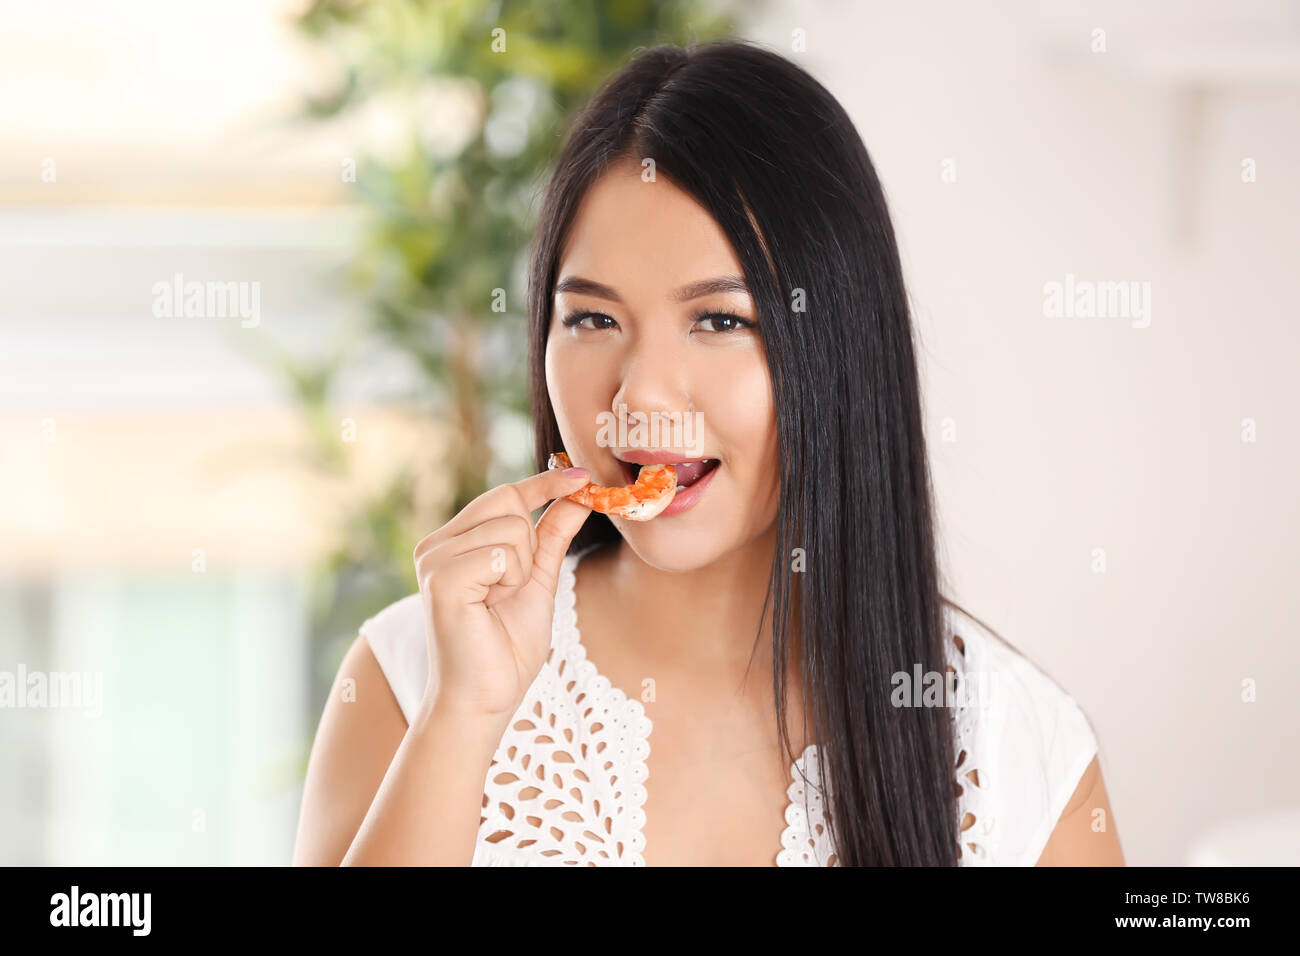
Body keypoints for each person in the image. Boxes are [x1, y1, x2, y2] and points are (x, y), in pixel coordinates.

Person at [293, 39, 1124, 867]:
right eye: (592, 319)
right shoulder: (411, 680)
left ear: (836, 345)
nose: (641, 397)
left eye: (721, 321)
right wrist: (462, 718)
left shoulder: (1016, 748)